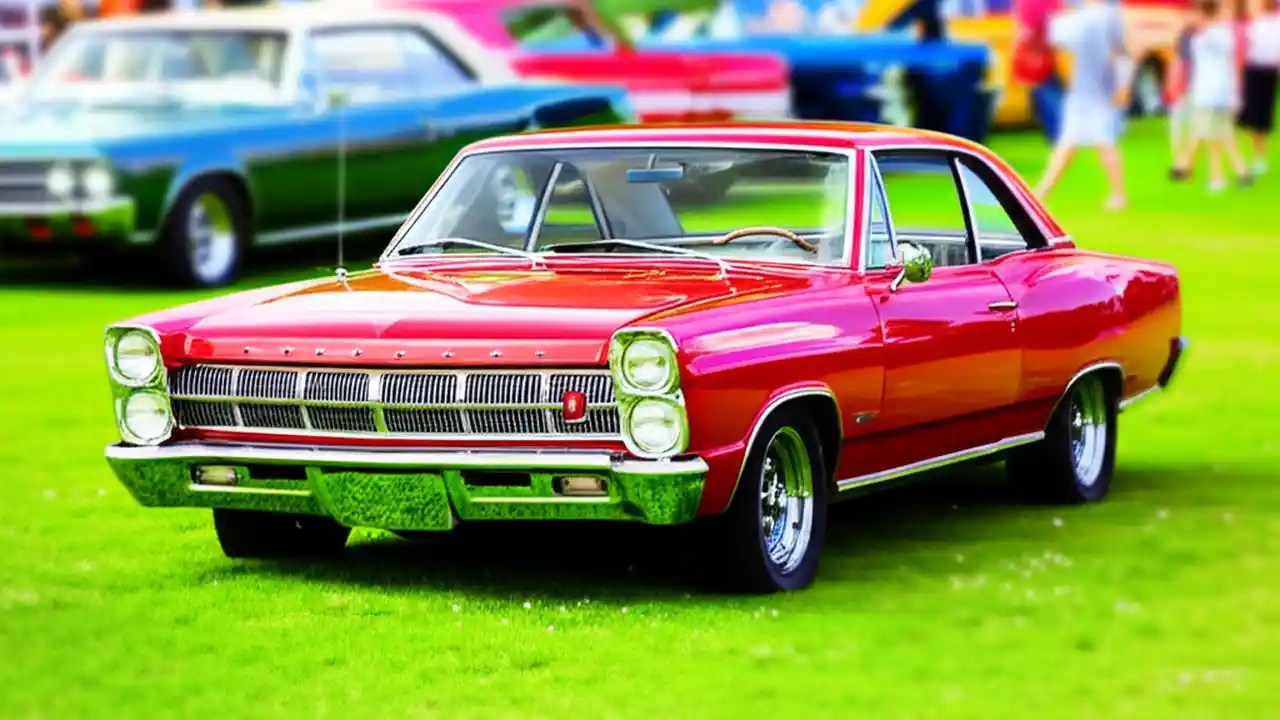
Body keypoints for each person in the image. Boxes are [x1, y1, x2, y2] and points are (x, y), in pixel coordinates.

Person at [1034, 0, 1130, 210]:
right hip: (1083, 89)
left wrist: (1122, 85)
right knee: (1069, 143)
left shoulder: (1100, 15)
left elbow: (1119, 51)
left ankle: (1119, 194)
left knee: (1101, 142)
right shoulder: (1088, 14)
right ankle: (1042, 191)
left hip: (1098, 90)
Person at [1173, 0, 1252, 191]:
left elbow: (1227, 63)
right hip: (1212, 92)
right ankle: (1224, 175)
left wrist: (1234, 95)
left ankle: (1187, 168)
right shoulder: (1208, 35)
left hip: (1210, 93)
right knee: (1219, 135)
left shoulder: (1213, 35)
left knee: (1213, 133)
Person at [1239, 0, 1280, 175]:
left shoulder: (1267, 23)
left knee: (1261, 116)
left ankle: (1259, 156)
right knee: (1257, 115)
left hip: (1266, 71)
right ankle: (1258, 155)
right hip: (1255, 70)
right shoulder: (1255, 23)